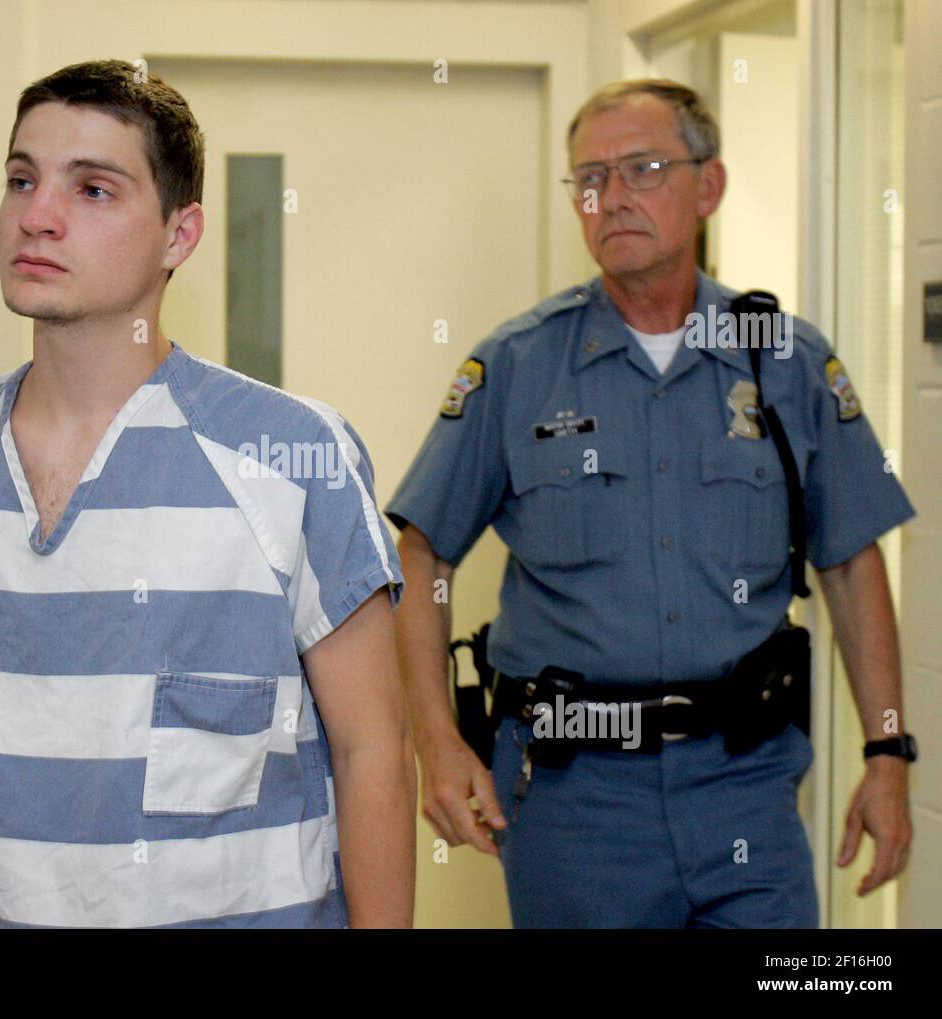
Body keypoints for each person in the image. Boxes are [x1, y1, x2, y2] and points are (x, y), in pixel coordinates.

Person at [0, 59, 414, 929]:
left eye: (93, 189)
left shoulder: (294, 458)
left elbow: (375, 753)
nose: (38, 215)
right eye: (21, 179)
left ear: (180, 235)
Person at [386, 79, 916, 928]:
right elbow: (422, 555)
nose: (612, 197)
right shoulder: (520, 365)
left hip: (746, 786)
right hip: (574, 801)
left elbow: (851, 563)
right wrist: (436, 744)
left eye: (643, 168)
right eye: (590, 178)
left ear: (709, 186)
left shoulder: (784, 363)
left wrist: (887, 752)